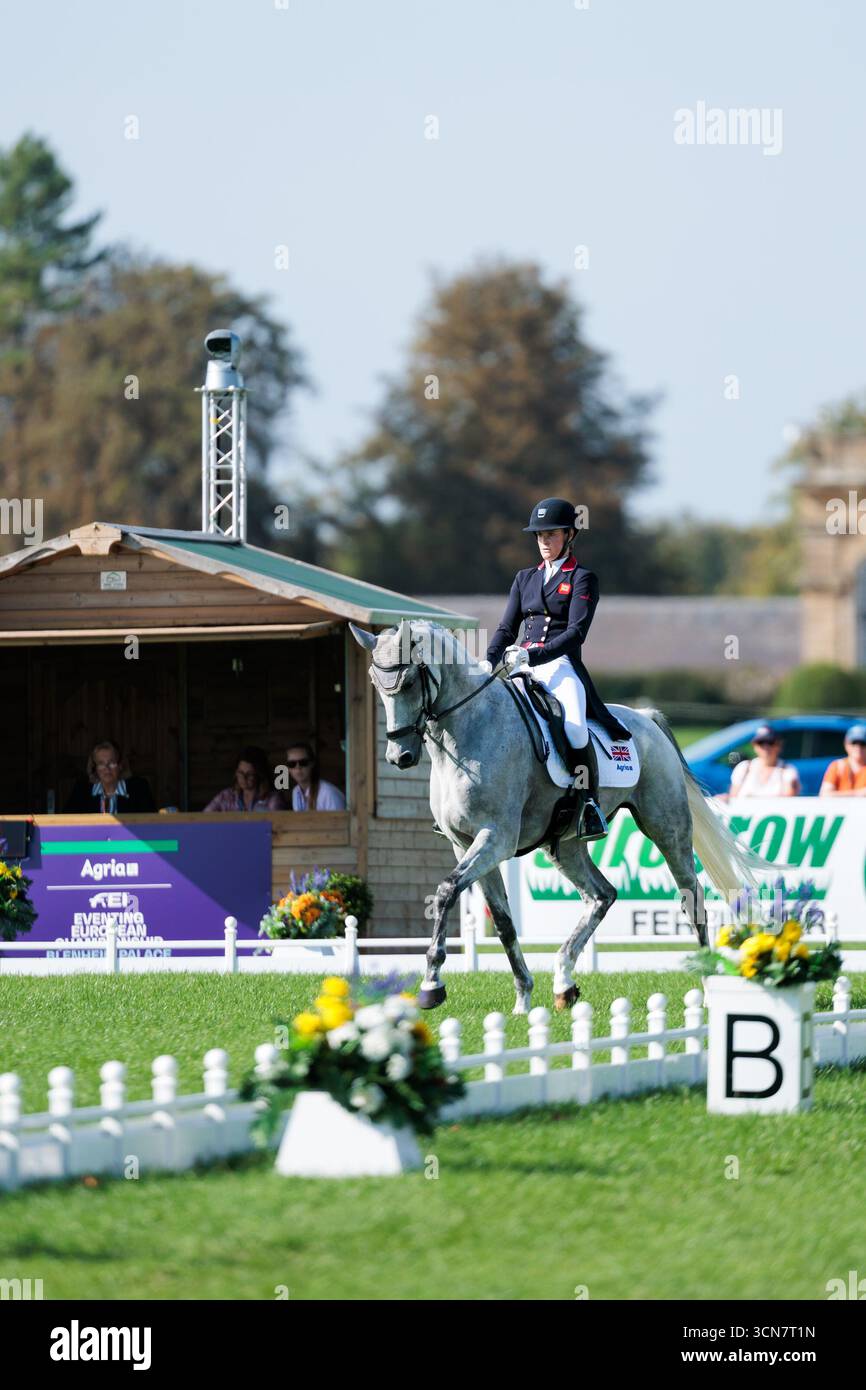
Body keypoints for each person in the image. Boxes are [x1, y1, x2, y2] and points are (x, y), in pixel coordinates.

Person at [485, 497, 630, 841]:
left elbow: (576, 633)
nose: (544, 542)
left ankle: (590, 804)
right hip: (520, 667)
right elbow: (507, 628)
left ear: (568, 535)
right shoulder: (524, 579)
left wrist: (532, 657)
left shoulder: (582, 578)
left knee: (576, 728)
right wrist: (488, 660)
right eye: (539, 536)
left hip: (560, 666)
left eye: (551, 535)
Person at [64, 739, 156, 813]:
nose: (107, 768)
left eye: (111, 763)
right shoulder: (81, 791)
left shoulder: (139, 788)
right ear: (95, 768)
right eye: (101, 764)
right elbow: (66, 824)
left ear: (120, 765)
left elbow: (151, 824)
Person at [728, 724, 801, 799]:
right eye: (761, 742)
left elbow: (788, 800)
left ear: (779, 745)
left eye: (770, 742)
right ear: (754, 746)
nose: (766, 747)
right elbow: (732, 798)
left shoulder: (788, 770)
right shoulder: (743, 767)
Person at [204, 747, 286, 812]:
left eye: (249, 774)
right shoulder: (226, 796)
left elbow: (276, 825)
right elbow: (204, 818)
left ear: (260, 774)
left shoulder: (273, 799)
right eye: (240, 772)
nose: (244, 778)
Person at [285, 741, 346, 811]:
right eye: (292, 764)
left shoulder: (328, 793)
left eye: (303, 762)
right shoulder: (296, 792)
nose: (298, 767)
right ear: (288, 768)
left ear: (312, 764)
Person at [819, 723, 866, 797]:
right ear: (846, 745)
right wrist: (858, 793)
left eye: (863, 744)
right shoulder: (837, 766)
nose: (858, 747)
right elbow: (825, 794)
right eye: (854, 743)